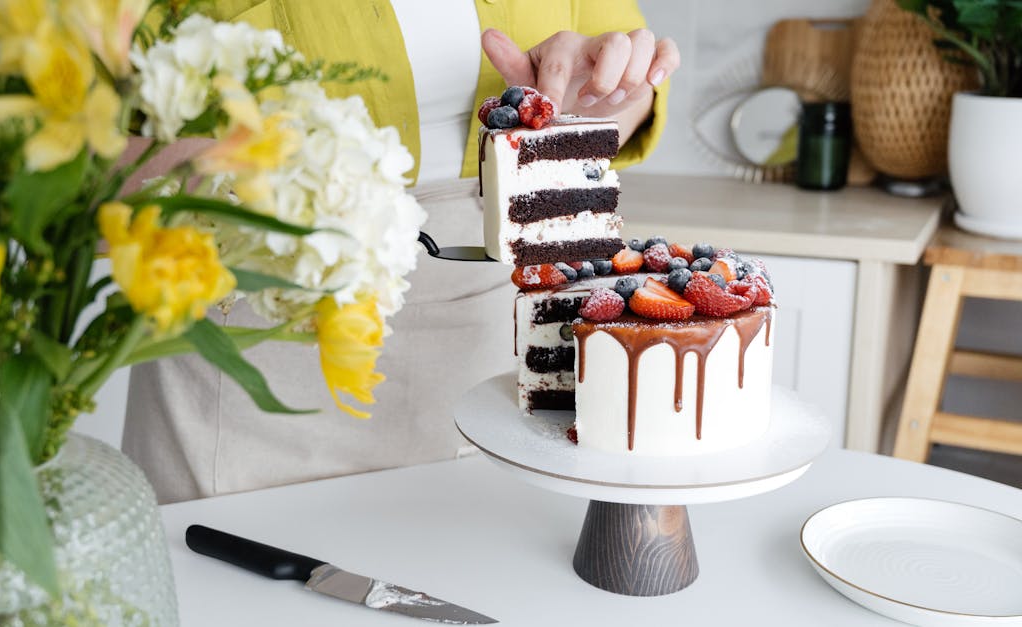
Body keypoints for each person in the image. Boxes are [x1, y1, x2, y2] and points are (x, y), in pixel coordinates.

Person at [122, 0, 679, 503]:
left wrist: (596, 104)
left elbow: (629, 91)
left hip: (494, 356)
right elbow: (70, 172)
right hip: (250, 366)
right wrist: (239, 159)